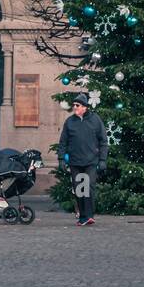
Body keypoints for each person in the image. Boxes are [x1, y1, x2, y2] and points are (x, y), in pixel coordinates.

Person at [57, 93, 108, 227]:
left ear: (84, 107)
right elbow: (63, 142)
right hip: (75, 162)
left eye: (77, 105)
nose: (74, 107)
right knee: (79, 190)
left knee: (89, 187)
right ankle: (83, 216)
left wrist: (102, 160)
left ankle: (89, 216)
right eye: (74, 105)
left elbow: (103, 140)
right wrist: (61, 158)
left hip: (91, 161)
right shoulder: (69, 122)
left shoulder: (95, 120)